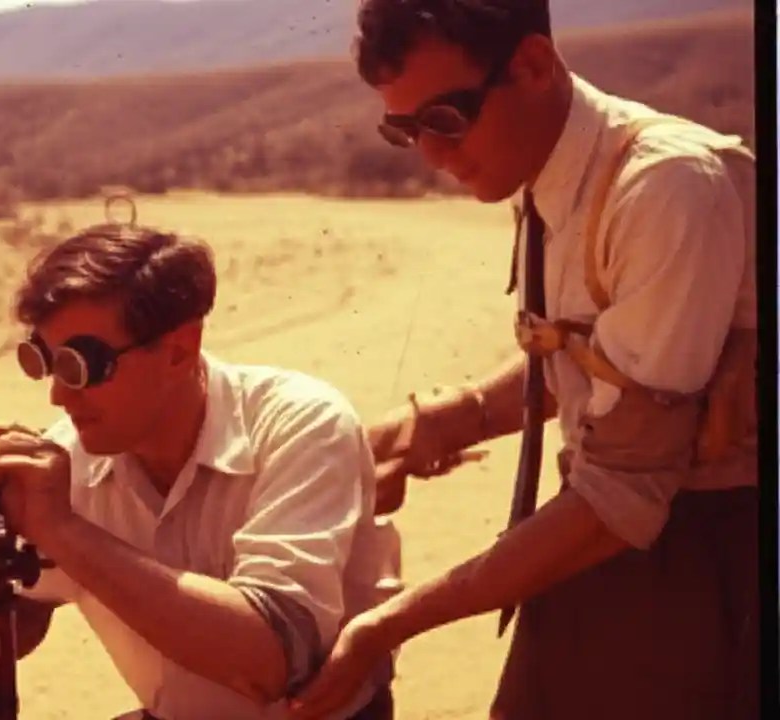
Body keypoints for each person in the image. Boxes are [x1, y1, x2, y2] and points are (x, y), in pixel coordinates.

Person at [288, 2, 758, 719]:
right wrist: (446, 422)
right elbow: (590, 363)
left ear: (533, 65)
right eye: (404, 129)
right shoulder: (542, 160)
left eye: (445, 120)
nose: (431, 155)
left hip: (714, 561)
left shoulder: (665, 187)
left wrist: (391, 622)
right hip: (606, 536)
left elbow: (626, 491)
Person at [0, 223, 403, 719]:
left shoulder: (301, 422)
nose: (57, 394)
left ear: (179, 349)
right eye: (47, 363)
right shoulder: (66, 463)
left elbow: (269, 661)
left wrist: (63, 531)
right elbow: (25, 621)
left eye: (82, 365)